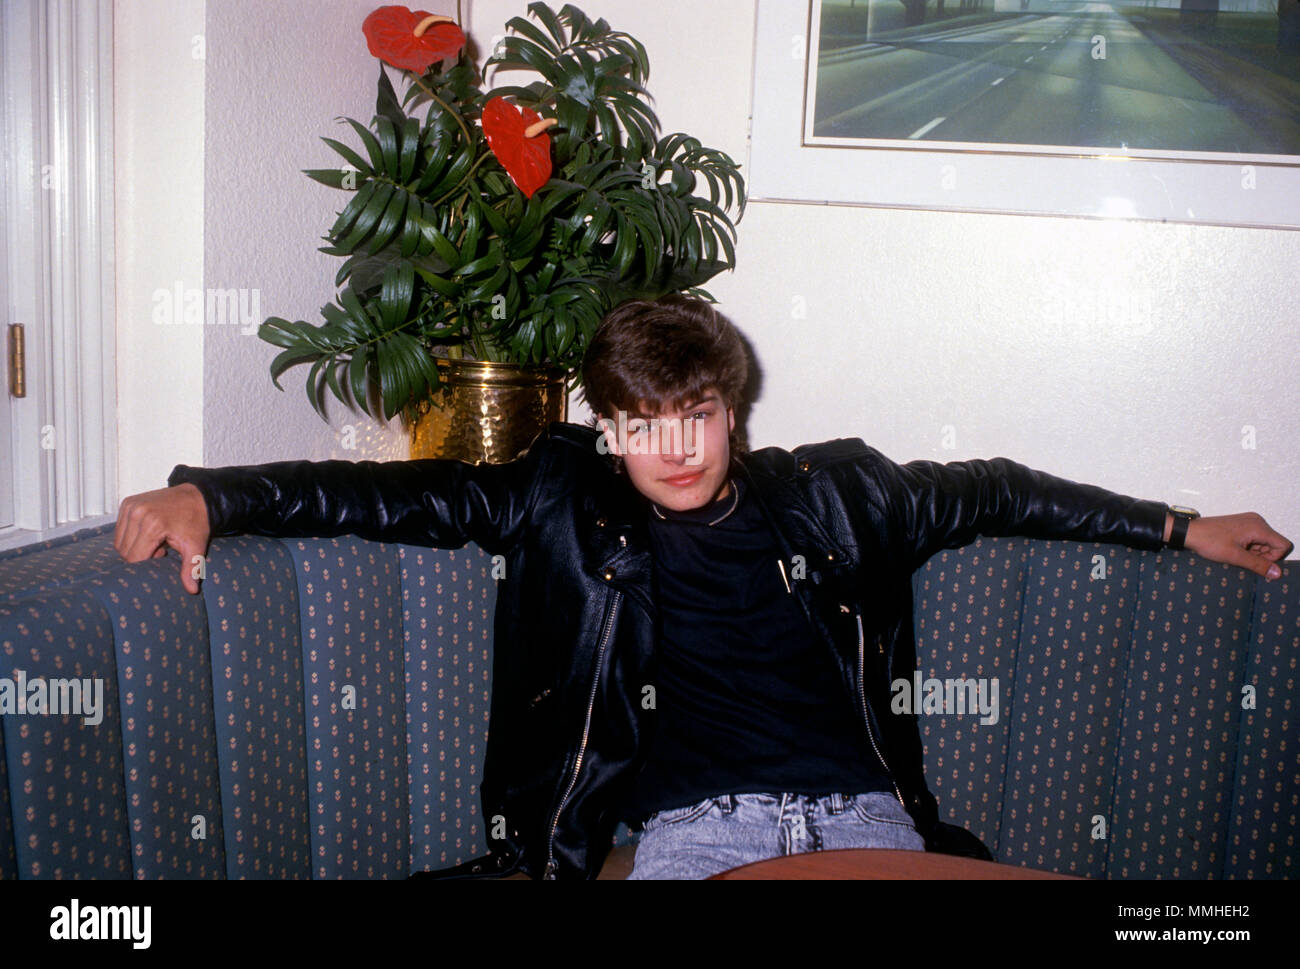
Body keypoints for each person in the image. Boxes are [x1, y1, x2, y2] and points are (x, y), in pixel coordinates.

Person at [114, 295, 1293, 880]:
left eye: (696, 414)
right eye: (639, 421)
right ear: (601, 426)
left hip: (864, 826)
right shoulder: (557, 503)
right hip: (691, 841)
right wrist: (209, 496)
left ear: (733, 410)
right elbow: (383, 498)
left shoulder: (843, 498)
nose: (671, 447)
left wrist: (1181, 524)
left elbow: (1000, 489)